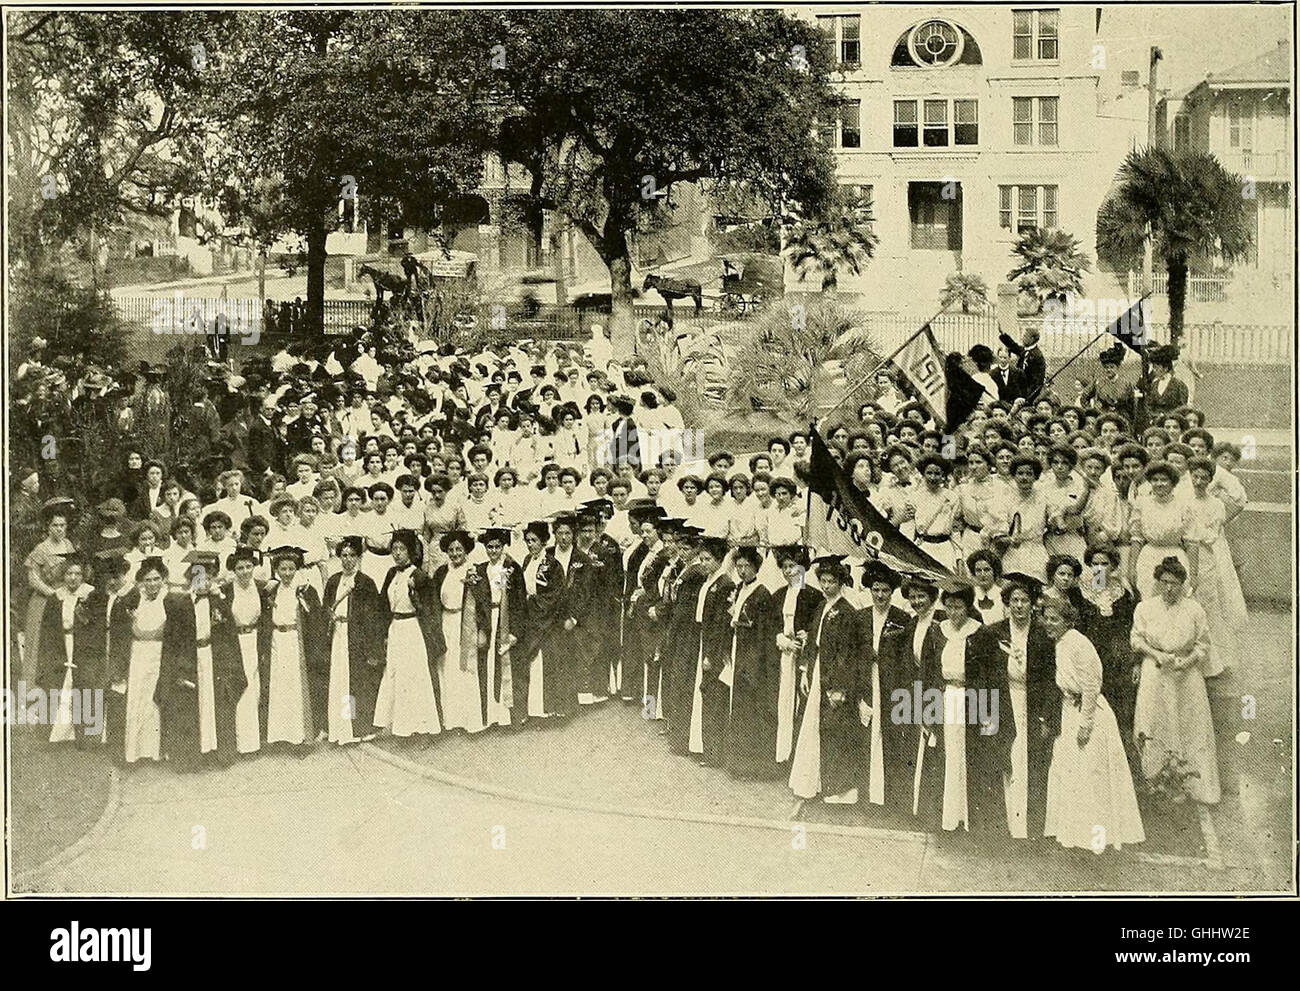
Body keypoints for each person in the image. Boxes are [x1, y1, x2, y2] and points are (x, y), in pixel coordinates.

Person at [1040, 596, 1145, 851]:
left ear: (1068, 620)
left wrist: (1085, 724)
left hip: (1090, 715)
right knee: (1069, 773)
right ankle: (1073, 835)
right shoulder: (1060, 643)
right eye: (1047, 618)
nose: (1049, 624)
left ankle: (1097, 839)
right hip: (1069, 711)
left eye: (1056, 619)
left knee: (1091, 775)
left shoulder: (1078, 643)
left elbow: (1091, 686)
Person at [976, 573, 1060, 840]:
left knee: (1032, 763)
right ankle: (1007, 825)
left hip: (1033, 706)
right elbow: (985, 676)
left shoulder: (1043, 636)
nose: (1019, 606)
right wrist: (986, 713)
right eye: (1014, 600)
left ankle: (1031, 827)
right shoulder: (993, 632)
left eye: (1024, 600)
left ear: (1033, 604)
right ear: (1007, 603)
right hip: (1004, 703)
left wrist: (1047, 717)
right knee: (1006, 759)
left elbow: (1050, 681)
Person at [1131, 556, 1219, 805]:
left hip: (1186, 676)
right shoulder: (1145, 608)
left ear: (1183, 584)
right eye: (1164, 582)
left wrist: (1186, 662)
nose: (1169, 588)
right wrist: (1156, 654)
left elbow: (1203, 646)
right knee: (1154, 720)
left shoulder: (1194, 610)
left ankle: (1192, 783)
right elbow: (1136, 640)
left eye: (1175, 583)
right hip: (1155, 671)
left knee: (1189, 724)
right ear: (1158, 582)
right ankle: (1154, 779)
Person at [788, 556, 867, 805]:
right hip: (818, 668)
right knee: (813, 725)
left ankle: (840, 788)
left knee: (835, 731)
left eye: (831, 582)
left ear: (841, 582)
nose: (826, 586)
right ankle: (813, 781)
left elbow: (847, 653)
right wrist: (805, 670)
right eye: (823, 581)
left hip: (835, 677)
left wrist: (838, 687)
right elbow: (813, 642)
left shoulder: (846, 611)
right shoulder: (822, 607)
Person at [157, 551, 246, 770]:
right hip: (190, 659)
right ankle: (192, 756)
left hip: (213, 658)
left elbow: (230, 637)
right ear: (190, 580)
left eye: (207, 578)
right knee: (191, 705)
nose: (203, 583)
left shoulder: (220, 604)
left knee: (215, 703)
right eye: (198, 578)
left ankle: (218, 752)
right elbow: (172, 641)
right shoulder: (180, 605)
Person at [721, 545, 781, 779]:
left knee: (752, 711)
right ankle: (736, 763)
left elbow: (764, 632)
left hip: (753, 660)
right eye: (739, 566)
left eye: (747, 566)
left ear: (756, 567)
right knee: (738, 709)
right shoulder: (738, 589)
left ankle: (753, 766)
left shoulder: (762, 594)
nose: (743, 571)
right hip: (738, 651)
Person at [320, 536, 387, 744]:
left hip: (356, 638)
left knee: (354, 682)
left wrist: (371, 646)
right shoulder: (333, 581)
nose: (347, 560)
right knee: (339, 680)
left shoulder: (366, 583)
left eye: (352, 556)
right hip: (338, 635)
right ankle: (340, 725)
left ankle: (355, 727)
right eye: (344, 555)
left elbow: (373, 617)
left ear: (358, 558)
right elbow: (326, 607)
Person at [259, 546, 324, 752]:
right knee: (278, 688)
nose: (287, 574)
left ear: (297, 570)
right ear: (277, 570)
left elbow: (315, 622)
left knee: (295, 688)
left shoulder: (305, 590)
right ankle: (280, 736)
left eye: (291, 569)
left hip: (296, 643)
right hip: (277, 641)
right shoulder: (271, 591)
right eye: (283, 569)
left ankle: (299, 737)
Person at [1078, 544, 1138, 754]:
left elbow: (1132, 629)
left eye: (1105, 564)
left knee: (1120, 713)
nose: (1099, 569)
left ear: (1113, 566)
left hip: (1118, 661)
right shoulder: (1080, 593)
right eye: (1095, 564)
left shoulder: (1125, 593)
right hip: (1091, 658)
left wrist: (1133, 661)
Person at [109, 557, 169, 764]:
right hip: (139, 654)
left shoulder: (168, 599)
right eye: (148, 580)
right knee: (138, 698)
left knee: (156, 699)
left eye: (156, 579)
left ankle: (156, 751)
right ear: (141, 581)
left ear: (163, 579)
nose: (153, 584)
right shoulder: (134, 598)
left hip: (160, 653)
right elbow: (123, 627)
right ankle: (134, 751)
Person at [432, 530, 490, 733]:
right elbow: (434, 602)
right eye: (451, 550)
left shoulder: (473, 572)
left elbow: (482, 604)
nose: (455, 553)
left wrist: (482, 630)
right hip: (446, 622)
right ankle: (451, 720)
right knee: (447, 670)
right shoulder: (441, 572)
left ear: (466, 551)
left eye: (459, 549)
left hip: (467, 624)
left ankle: (470, 721)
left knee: (467, 669)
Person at [770, 545, 823, 768]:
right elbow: (772, 625)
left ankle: (796, 759)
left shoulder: (813, 596)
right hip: (783, 655)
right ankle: (781, 752)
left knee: (800, 703)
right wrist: (780, 638)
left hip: (801, 658)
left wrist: (806, 636)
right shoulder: (779, 595)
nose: (789, 571)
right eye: (785, 567)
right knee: (782, 701)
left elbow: (816, 627)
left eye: (793, 566)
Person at [476, 528, 525, 728]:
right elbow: (478, 601)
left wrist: (515, 630)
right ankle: (492, 715)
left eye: (497, 547)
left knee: (506, 667)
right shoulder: (481, 569)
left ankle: (509, 716)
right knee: (489, 666)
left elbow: (519, 601)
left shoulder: (511, 568)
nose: (493, 551)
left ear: (503, 547)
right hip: (490, 617)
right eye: (490, 547)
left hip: (506, 618)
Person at [1127, 461, 1194, 601]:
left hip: (1175, 557)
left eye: (1164, 480)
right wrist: (1132, 567)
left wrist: (1194, 573)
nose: (1159, 484)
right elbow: (1136, 538)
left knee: (1176, 600)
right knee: (1148, 598)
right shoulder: (1142, 503)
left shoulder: (1184, 506)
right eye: (1155, 480)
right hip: (1148, 558)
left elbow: (1191, 541)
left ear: (1173, 483)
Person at [223, 546, 265, 755]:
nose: (245, 571)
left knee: (255, 689)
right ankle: (239, 744)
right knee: (239, 687)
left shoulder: (262, 588)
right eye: (240, 568)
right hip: (235, 642)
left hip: (254, 640)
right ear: (234, 570)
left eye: (249, 566)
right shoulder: (227, 591)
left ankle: (254, 743)